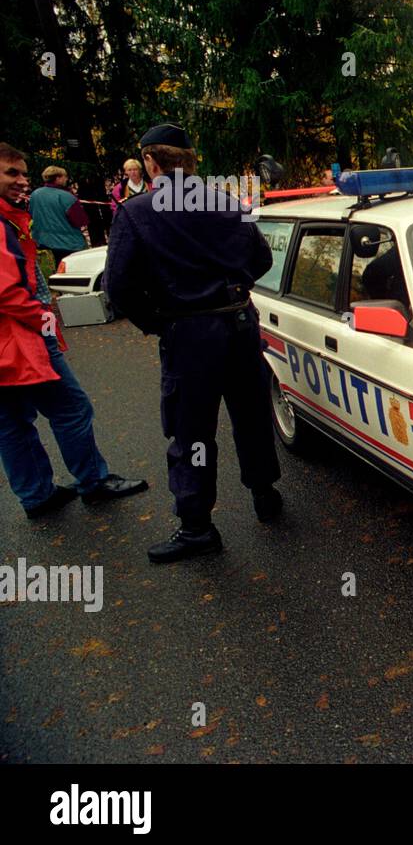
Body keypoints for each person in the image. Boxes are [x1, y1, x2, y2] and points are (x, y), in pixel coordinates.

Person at [105, 124, 283, 564]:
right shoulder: (227, 204)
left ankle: (197, 527)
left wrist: (161, 322)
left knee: (192, 432)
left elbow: (119, 289)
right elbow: (262, 259)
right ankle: (265, 494)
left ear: (150, 162)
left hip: (190, 335)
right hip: (239, 326)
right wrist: (233, 288)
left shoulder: (136, 212)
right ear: (189, 160)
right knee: (251, 415)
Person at [0, 143, 148, 518]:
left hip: (11, 336)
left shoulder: (16, 215)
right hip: (17, 339)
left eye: (23, 173)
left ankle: (36, 496)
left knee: (13, 422)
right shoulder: (3, 223)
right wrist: (44, 321)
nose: (21, 181)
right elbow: (7, 290)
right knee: (70, 408)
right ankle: (93, 482)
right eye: (11, 173)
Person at [28, 166, 88, 267]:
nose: (66, 179)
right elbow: (80, 220)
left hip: (43, 239)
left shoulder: (35, 194)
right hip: (68, 242)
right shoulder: (67, 196)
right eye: (65, 176)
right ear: (57, 178)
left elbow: (31, 213)